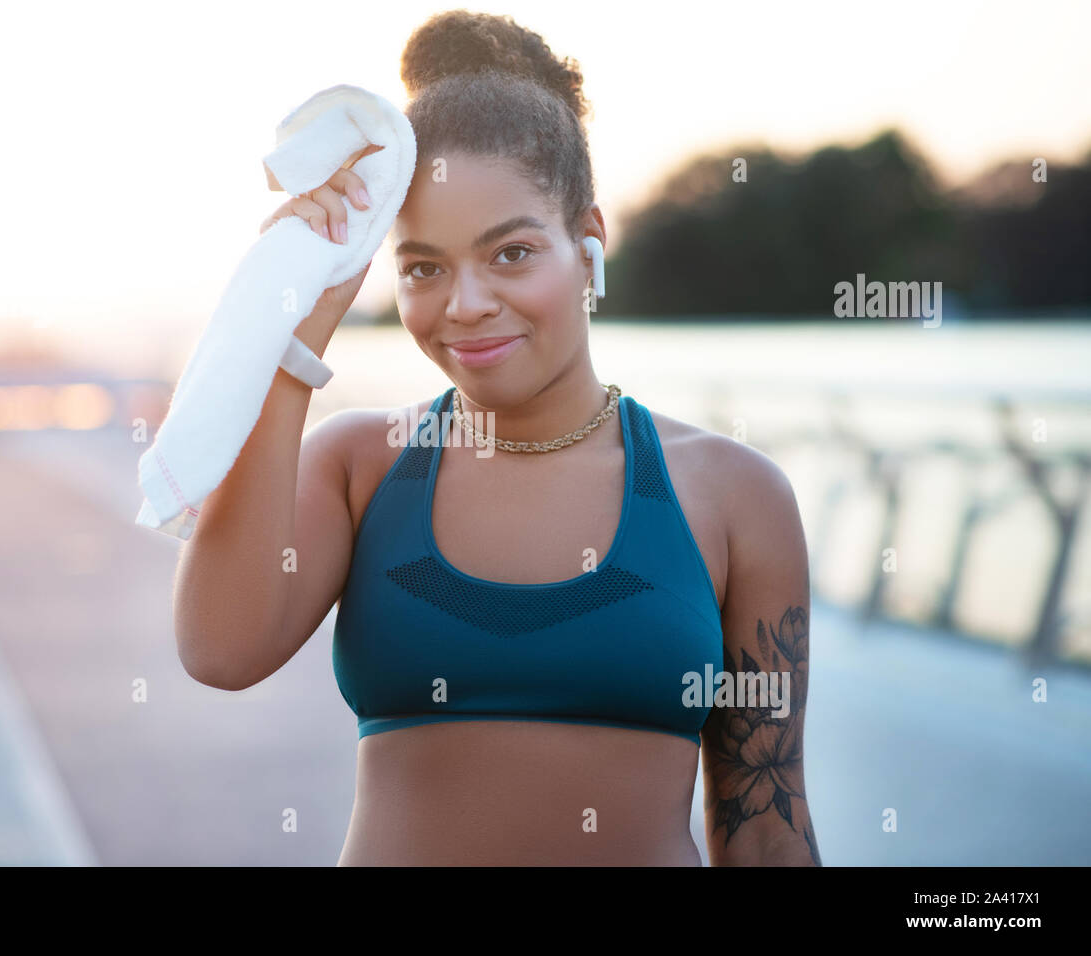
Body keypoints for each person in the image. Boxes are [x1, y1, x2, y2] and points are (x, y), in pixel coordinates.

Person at [174, 10, 819, 866]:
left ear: (587, 242)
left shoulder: (733, 495)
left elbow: (765, 825)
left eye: (511, 253)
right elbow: (220, 650)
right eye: (423, 267)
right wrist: (291, 334)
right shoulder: (363, 467)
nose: (464, 304)